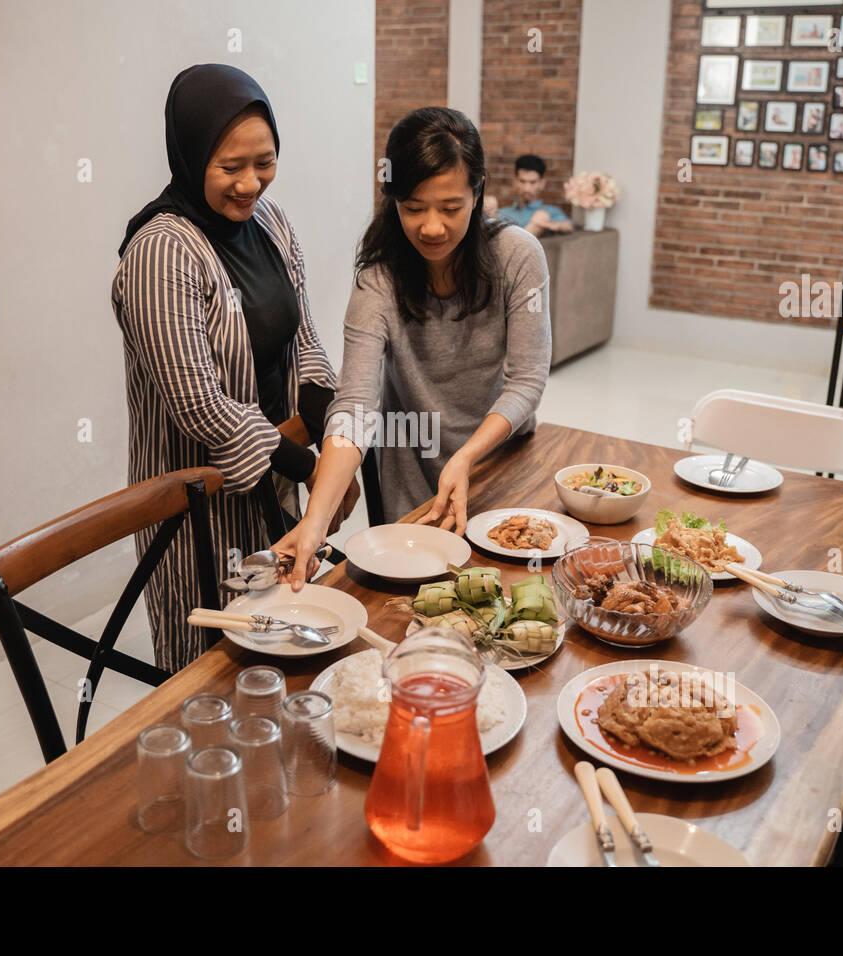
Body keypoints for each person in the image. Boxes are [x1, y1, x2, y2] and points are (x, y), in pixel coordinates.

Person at [111, 64, 357, 672]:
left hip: (273, 477)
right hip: (198, 501)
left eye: (265, 162)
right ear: (191, 156)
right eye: (230, 167)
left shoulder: (269, 223)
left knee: (279, 645)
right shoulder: (160, 251)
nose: (251, 184)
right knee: (209, 668)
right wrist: (312, 466)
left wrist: (333, 438)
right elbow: (200, 402)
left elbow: (304, 341)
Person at [274, 107, 552, 589]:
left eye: (450, 207)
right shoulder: (378, 279)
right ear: (392, 199)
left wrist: (466, 458)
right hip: (418, 490)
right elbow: (356, 404)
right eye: (413, 207)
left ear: (478, 191)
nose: (431, 227)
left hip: (502, 470)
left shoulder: (519, 255)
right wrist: (314, 522)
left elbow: (527, 379)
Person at [495, 154, 574, 238]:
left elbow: (568, 226)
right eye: (522, 181)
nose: (527, 189)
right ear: (515, 182)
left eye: (533, 182)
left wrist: (546, 224)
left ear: (542, 183)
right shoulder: (502, 213)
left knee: (542, 216)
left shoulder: (550, 212)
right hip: (506, 247)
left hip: (528, 247)